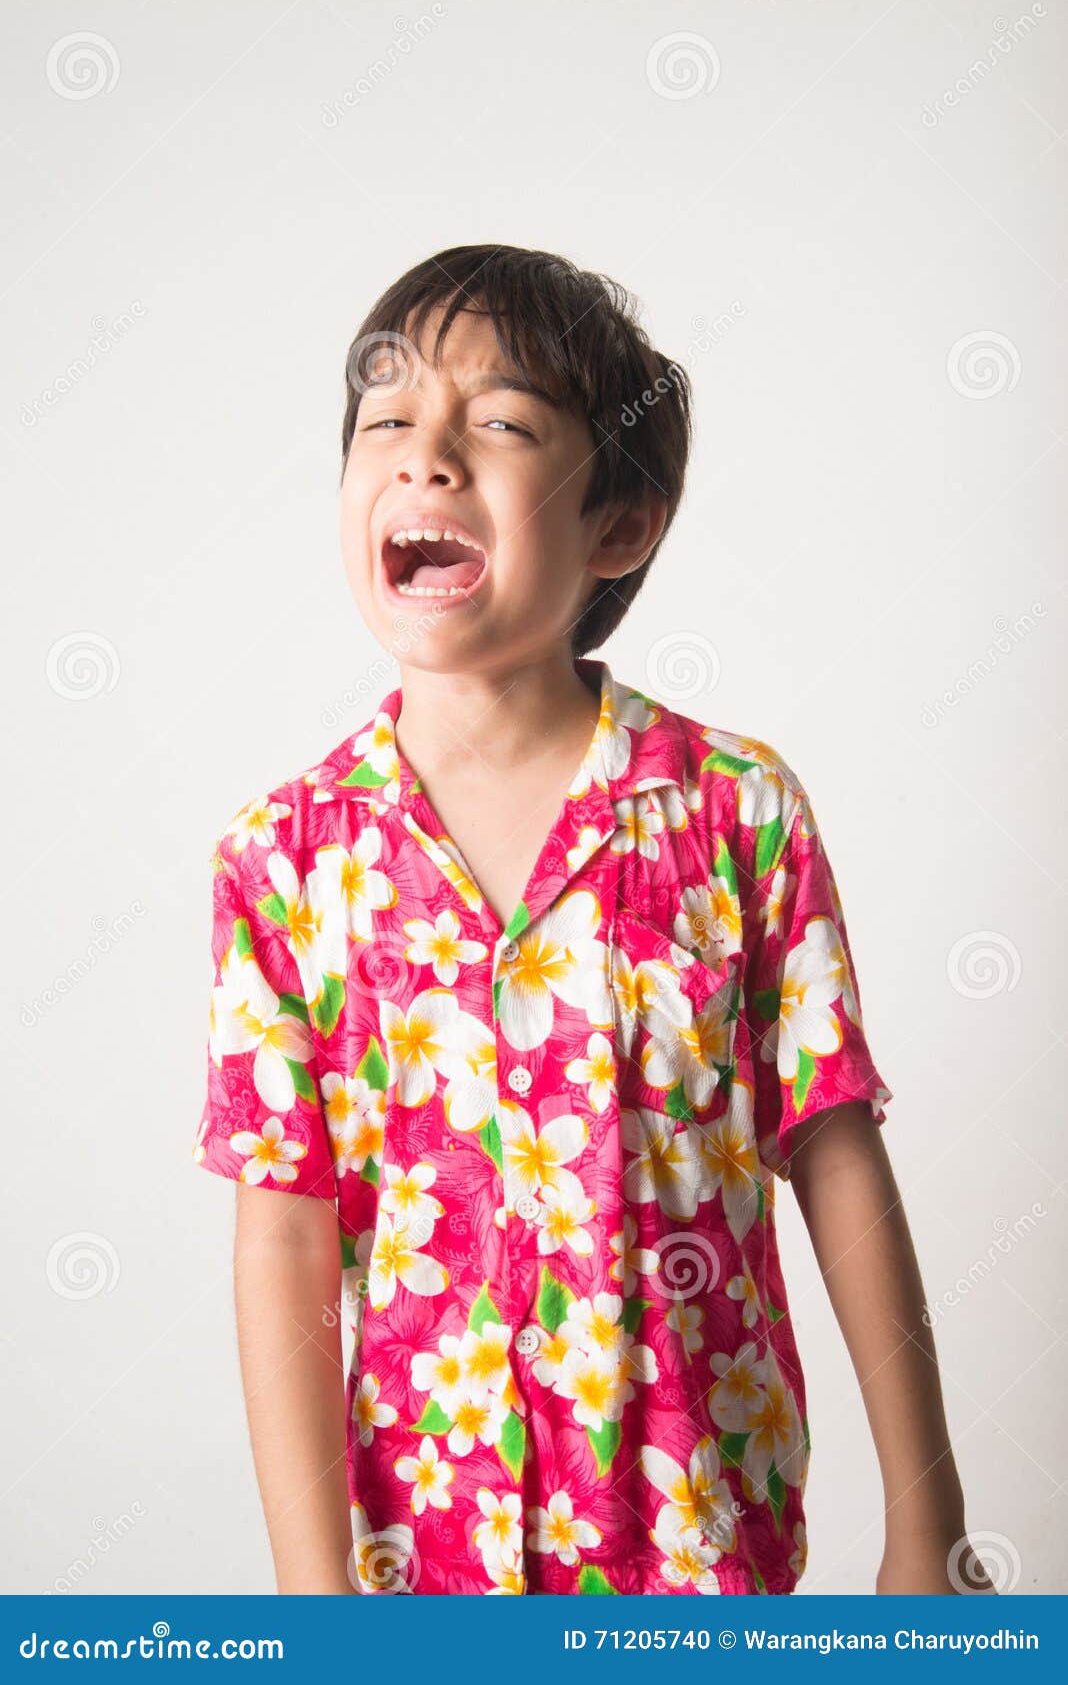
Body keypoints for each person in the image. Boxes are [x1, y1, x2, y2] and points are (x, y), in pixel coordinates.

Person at [193, 244, 990, 1596]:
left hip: (702, 1565)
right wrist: (312, 1599)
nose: (426, 457)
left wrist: (931, 1522)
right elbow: (281, 1234)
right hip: (419, 1590)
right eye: (386, 419)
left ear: (617, 526)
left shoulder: (738, 813)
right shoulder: (283, 859)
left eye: (500, 424)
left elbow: (837, 1155)